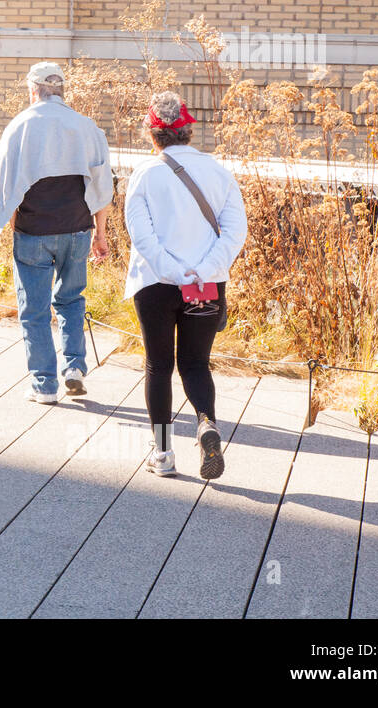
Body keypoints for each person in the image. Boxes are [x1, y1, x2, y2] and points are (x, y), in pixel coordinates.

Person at [0, 62, 114, 404]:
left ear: (33, 91)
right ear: (62, 91)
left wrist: (0, 229)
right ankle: (75, 367)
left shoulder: (20, 126)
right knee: (70, 299)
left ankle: (44, 384)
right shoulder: (87, 127)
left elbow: (4, 188)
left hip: (34, 232)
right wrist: (101, 234)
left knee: (33, 309)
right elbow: (103, 188)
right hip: (78, 229)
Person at [124, 92, 247, 481]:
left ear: (151, 134)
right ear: (190, 132)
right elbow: (235, 231)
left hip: (156, 285)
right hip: (206, 285)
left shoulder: (145, 174)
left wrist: (175, 271)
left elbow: (141, 236)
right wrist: (202, 270)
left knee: (158, 365)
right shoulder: (218, 172)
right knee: (195, 363)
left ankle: (162, 453)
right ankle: (206, 422)